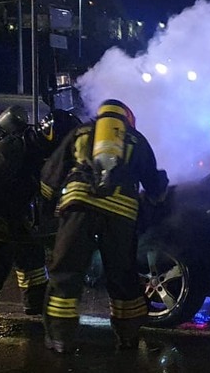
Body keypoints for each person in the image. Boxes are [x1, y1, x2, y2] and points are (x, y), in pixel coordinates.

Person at [39, 99, 169, 353]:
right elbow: (154, 184)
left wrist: (46, 209)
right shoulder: (136, 139)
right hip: (121, 215)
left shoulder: (82, 131)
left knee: (66, 273)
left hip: (79, 207)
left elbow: (51, 173)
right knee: (123, 276)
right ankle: (128, 337)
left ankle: (60, 338)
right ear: (127, 120)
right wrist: (157, 201)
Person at [0, 106, 80, 335]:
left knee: (31, 256)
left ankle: (35, 304)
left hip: (15, 213)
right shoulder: (11, 151)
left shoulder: (40, 153)